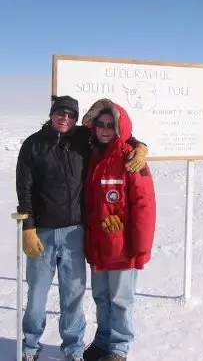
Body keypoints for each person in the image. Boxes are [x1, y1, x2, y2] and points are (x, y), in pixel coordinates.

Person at [16, 95, 148, 361]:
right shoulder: (34, 144)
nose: (65, 118)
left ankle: (74, 347)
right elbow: (24, 189)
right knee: (37, 292)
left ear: (77, 119)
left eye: (71, 114)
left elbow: (119, 135)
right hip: (41, 231)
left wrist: (140, 146)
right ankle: (30, 343)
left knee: (74, 294)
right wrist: (28, 227)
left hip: (75, 232)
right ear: (52, 114)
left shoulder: (82, 141)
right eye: (60, 113)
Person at [81, 98, 156, 361]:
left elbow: (144, 205)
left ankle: (119, 347)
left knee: (121, 300)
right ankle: (102, 341)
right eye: (100, 124)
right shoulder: (90, 154)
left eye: (110, 125)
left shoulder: (131, 158)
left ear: (119, 127)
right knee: (101, 297)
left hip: (122, 246)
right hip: (98, 244)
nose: (104, 129)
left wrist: (140, 248)